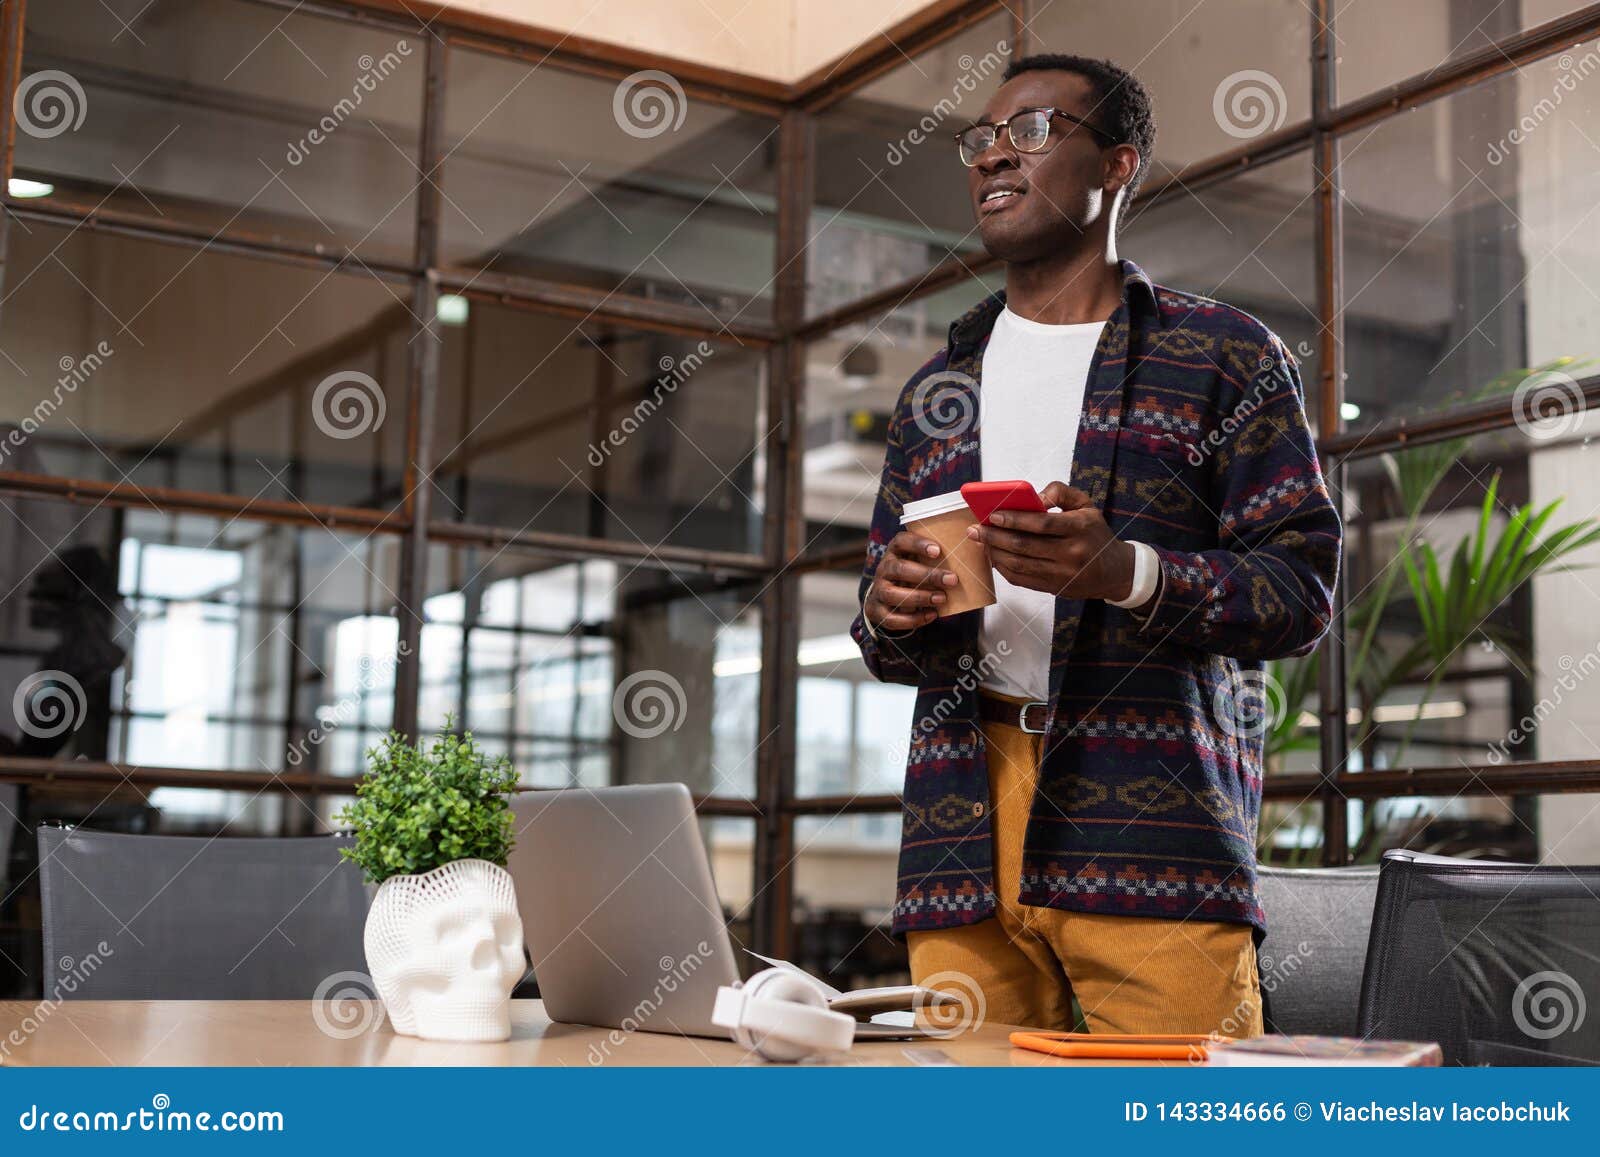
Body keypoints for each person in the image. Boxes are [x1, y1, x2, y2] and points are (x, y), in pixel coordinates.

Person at [852, 53, 1342, 1036]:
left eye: (1031, 130)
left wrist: (1125, 572)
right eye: (981, 137)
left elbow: (1297, 591)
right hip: (961, 816)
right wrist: (887, 608)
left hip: (1148, 819)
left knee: (1189, 1120)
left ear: (1116, 164)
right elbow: (885, 632)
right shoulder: (935, 394)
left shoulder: (1223, 355)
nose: (994, 153)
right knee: (969, 1122)